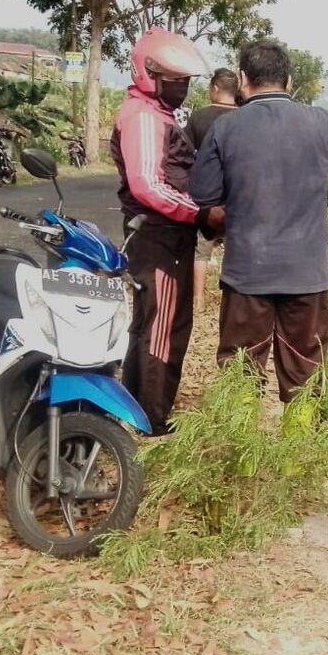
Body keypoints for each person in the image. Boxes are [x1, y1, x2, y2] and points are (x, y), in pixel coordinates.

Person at [189, 39, 328, 401]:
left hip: (247, 274)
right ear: (289, 81)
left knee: (240, 372)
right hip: (306, 275)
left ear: (243, 79)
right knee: (305, 373)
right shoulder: (322, 123)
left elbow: (203, 195)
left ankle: (243, 437)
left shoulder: (225, 129)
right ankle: (297, 438)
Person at [111, 27, 223, 435]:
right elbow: (148, 185)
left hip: (162, 236)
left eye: (185, 81)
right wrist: (202, 214)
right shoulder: (143, 117)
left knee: (151, 323)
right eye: (175, 80)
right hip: (158, 237)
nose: (182, 88)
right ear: (150, 75)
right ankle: (150, 420)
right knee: (162, 328)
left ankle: (135, 408)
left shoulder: (155, 113)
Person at [185, 68, 240, 304]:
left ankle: (198, 299)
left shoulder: (199, 118)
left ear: (215, 89)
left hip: (207, 200)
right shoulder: (246, 118)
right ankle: (232, 300)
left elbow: (185, 155)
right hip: (239, 197)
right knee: (237, 250)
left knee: (201, 251)